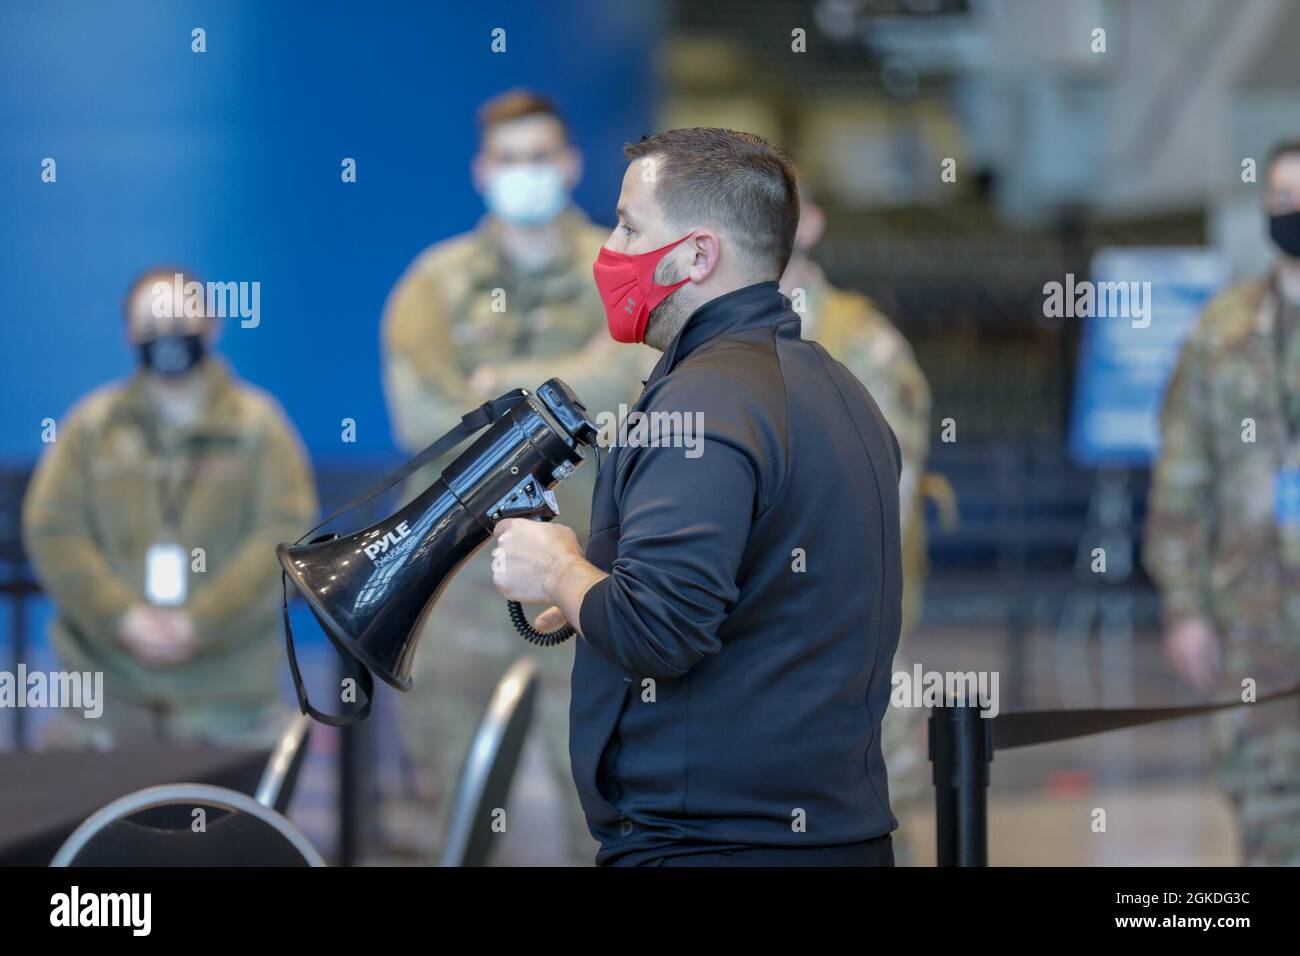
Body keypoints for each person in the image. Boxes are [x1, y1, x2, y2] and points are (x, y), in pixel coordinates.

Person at [490, 127, 904, 866]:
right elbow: (752, 590)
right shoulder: (836, 388)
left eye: (628, 226)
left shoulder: (705, 403)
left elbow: (658, 633)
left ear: (697, 256)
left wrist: (554, 567)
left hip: (709, 846)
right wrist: (597, 587)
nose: (608, 251)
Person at [380, 89, 651, 864]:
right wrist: (569, 391)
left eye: (539, 158)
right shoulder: (433, 284)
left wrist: (498, 385)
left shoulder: (618, 267)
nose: (524, 173)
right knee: (457, 815)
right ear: (481, 170)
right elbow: (420, 415)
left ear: (568, 165)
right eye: (509, 159)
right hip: (458, 585)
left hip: (593, 573)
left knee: (599, 797)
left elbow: (632, 376)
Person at [22, 267, 317, 749]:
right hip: (102, 711)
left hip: (232, 709)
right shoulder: (91, 428)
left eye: (180, 318)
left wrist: (200, 621)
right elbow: (55, 532)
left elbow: (282, 534)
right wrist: (121, 616)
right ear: (129, 335)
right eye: (151, 324)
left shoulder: (260, 427)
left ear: (212, 324)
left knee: (229, 825)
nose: (167, 335)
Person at [1144, 138, 1300, 865]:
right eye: (1280, 200)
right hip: (1252, 610)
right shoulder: (1222, 328)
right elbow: (1183, 472)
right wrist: (1184, 606)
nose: (1291, 212)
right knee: (1267, 808)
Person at [780, 179, 934, 864]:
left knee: (873, 802)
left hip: (845, 625)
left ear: (812, 224)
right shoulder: (693, 332)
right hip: (738, 638)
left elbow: (887, 487)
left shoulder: (859, 338)